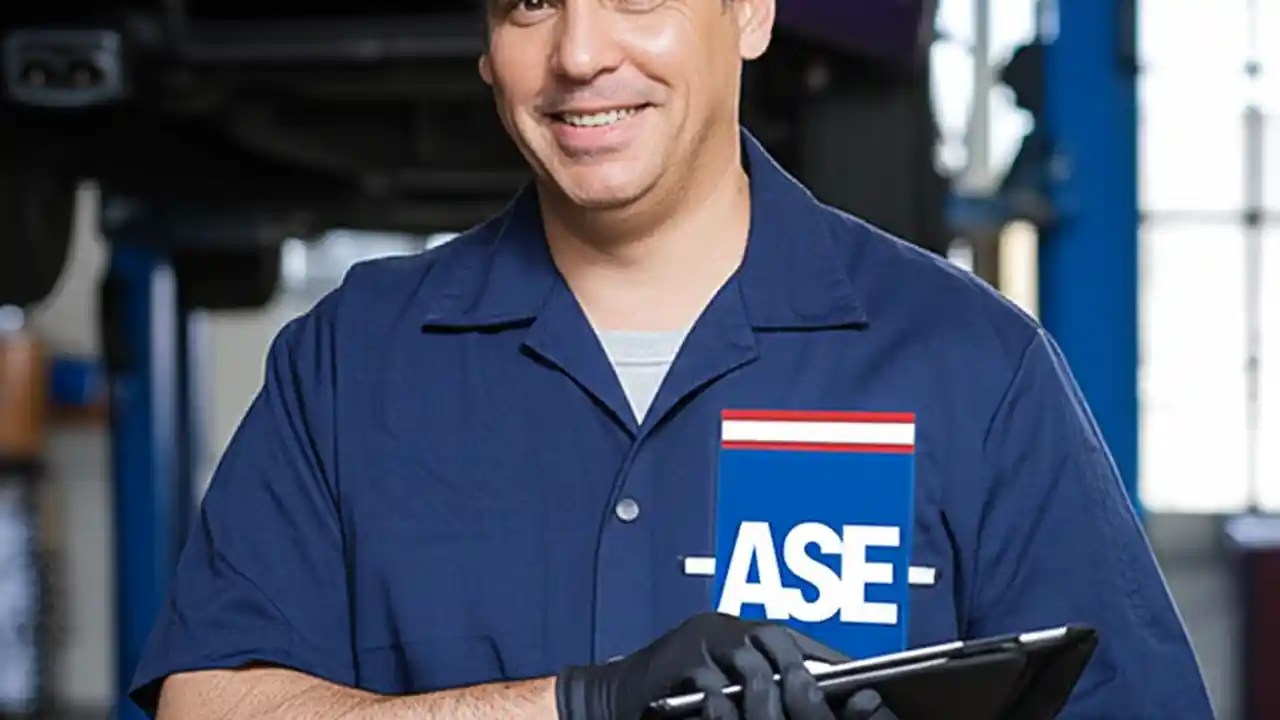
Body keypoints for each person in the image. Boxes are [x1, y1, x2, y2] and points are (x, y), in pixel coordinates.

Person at [129, 0, 1216, 718]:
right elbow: (214, 705)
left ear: (748, 11)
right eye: (528, 2)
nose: (578, 53)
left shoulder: (966, 365)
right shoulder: (349, 363)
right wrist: (578, 706)